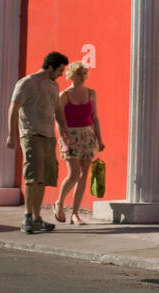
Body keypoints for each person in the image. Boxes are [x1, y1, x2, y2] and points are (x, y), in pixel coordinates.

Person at [7, 51, 69, 234]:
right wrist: (12, 135)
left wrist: (64, 128)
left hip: (49, 136)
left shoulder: (54, 86)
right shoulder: (27, 83)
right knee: (32, 175)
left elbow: (57, 109)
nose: (61, 74)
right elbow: (14, 108)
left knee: (43, 178)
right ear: (49, 66)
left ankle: (37, 217)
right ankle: (27, 216)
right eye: (59, 70)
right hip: (31, 134)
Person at [53, 61, 103, 225]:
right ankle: (59, 203)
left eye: (84, 73)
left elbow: (95, 118)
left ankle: (75, 214)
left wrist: (99, 139)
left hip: (87, 138)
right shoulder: (64, 95)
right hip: (71, 139)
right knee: (74, 174)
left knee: (83, 176)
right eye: (78, 74)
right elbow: (59, 121)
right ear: (71, 76)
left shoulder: (92, 93)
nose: (82, 77)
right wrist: (64, 142)